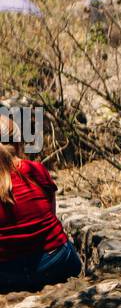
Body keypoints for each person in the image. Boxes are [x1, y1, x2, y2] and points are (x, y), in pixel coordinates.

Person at [0, 124, 82, 293]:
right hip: (57, 262)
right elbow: (51, 214)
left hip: (8, 275)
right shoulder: (35, 169)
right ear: (18, 144)